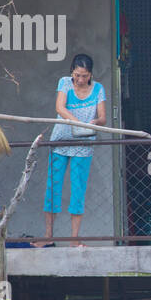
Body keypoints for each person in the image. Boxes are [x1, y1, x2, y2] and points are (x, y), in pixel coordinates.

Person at [38, 54, 105, 246]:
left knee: (78, 190)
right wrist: (77, 122)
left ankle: (74, 239)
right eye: (77, 75)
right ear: (72, 72)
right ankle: (48, 237)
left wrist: (93, 123)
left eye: (84, 76)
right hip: (60, 141)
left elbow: (103, 118)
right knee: (53, 188)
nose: (80, 80)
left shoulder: (98, 89)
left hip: (83, 145)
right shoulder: (65, 83)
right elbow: (60, 107)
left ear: (90, 74)